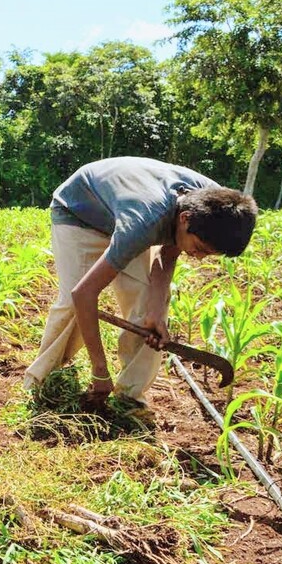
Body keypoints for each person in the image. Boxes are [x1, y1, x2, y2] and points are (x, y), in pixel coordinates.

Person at [23, 157, 257, 409]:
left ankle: (129, 397)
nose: (199, 257)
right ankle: (41, 382)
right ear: (184, 218)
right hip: (79, 212)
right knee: (72, 305)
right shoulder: (144, 222)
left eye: (209, 254)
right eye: (200, 248)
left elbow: (169, 251)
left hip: (130, 209)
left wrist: (154, 311)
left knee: (148, 302)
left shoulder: (218, 207)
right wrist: (99, 369)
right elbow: (84, 294)